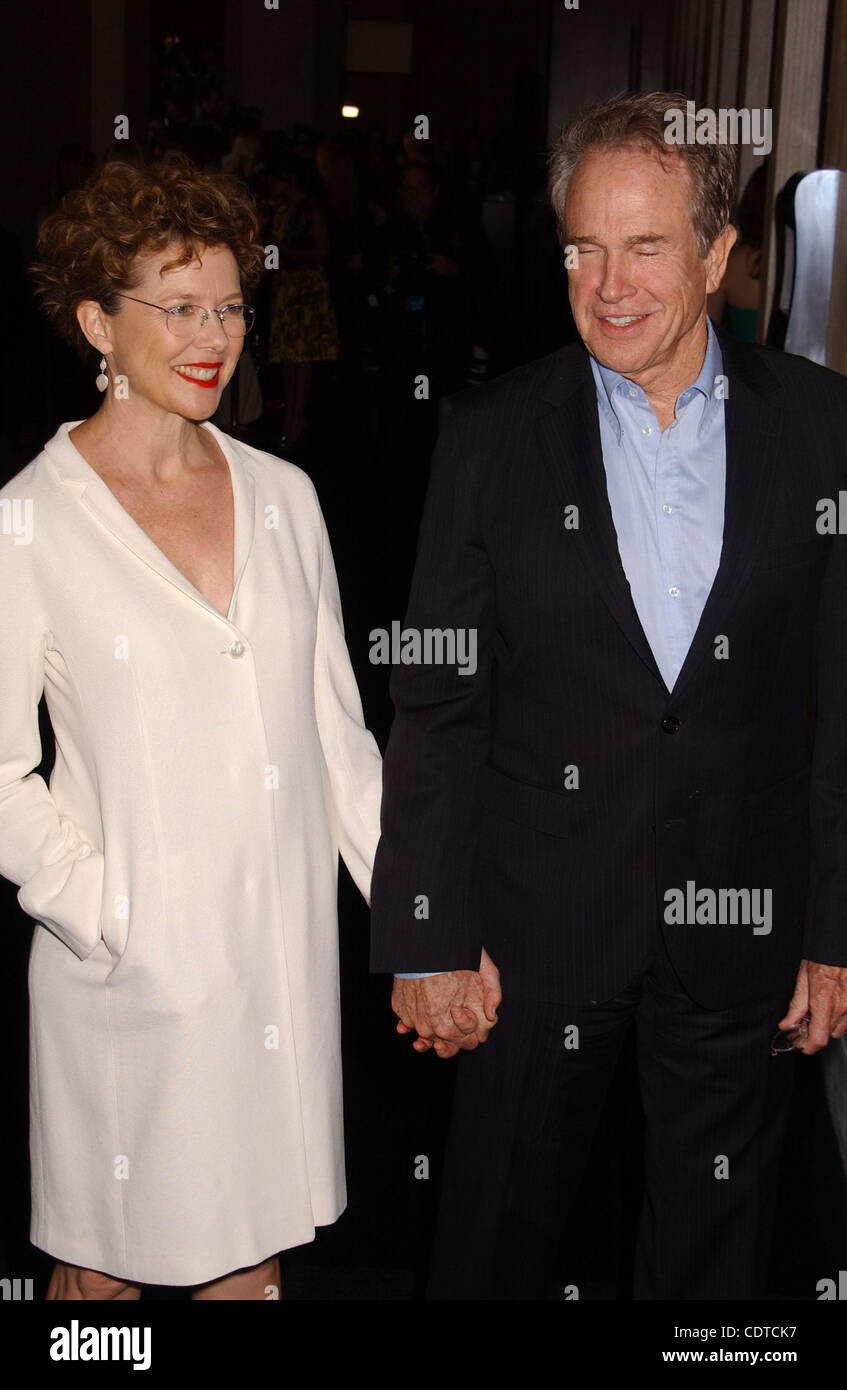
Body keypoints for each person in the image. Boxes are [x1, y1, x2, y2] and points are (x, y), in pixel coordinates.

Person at [370, 90, 847, 1299]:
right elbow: (437, 697)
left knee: (717, 1266)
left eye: (645, 246)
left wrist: (831, 932)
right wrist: (426, 928)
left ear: (720, 254)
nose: (609, 282)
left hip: (741, 925)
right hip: (535, 929)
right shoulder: (489, 437)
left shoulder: (822, 431)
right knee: (491, 1248)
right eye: (584, 246)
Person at [1, 156, 382, 1299]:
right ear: (96, 324)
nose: (213, 334)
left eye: (228, 303)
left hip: (274, 985)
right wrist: (108, 911)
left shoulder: (285, 497)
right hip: (127, 992)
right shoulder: (31, 522)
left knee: (248, 1274)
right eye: (177, 307)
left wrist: (423, 920)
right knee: (101, 1292)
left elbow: (338, 741)